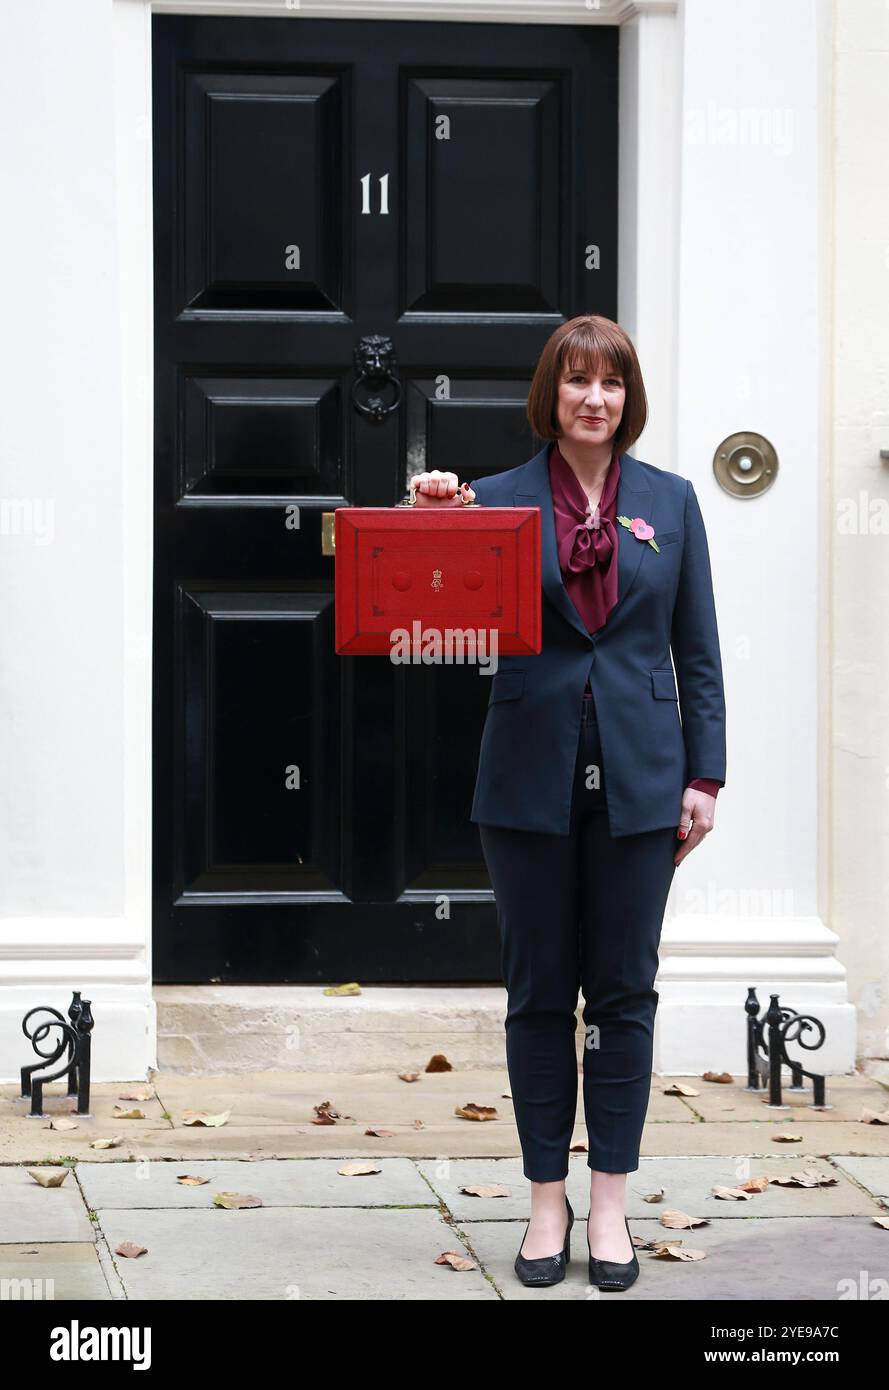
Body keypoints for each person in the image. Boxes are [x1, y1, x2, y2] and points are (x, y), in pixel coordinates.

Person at [408, 314, 726, 1291]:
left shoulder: (670, 503)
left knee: (623, 994)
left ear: (629, 401)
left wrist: (703, 776)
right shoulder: (492, 499)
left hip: (641, 781)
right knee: (540, 994)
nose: (595, 398)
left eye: (613, 383)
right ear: (550, 393)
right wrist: (426, 517)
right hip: (524, 781)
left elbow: (698, 654)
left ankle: (609, 1209)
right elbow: (424, 610)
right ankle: (544, 1200)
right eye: (579, 380)